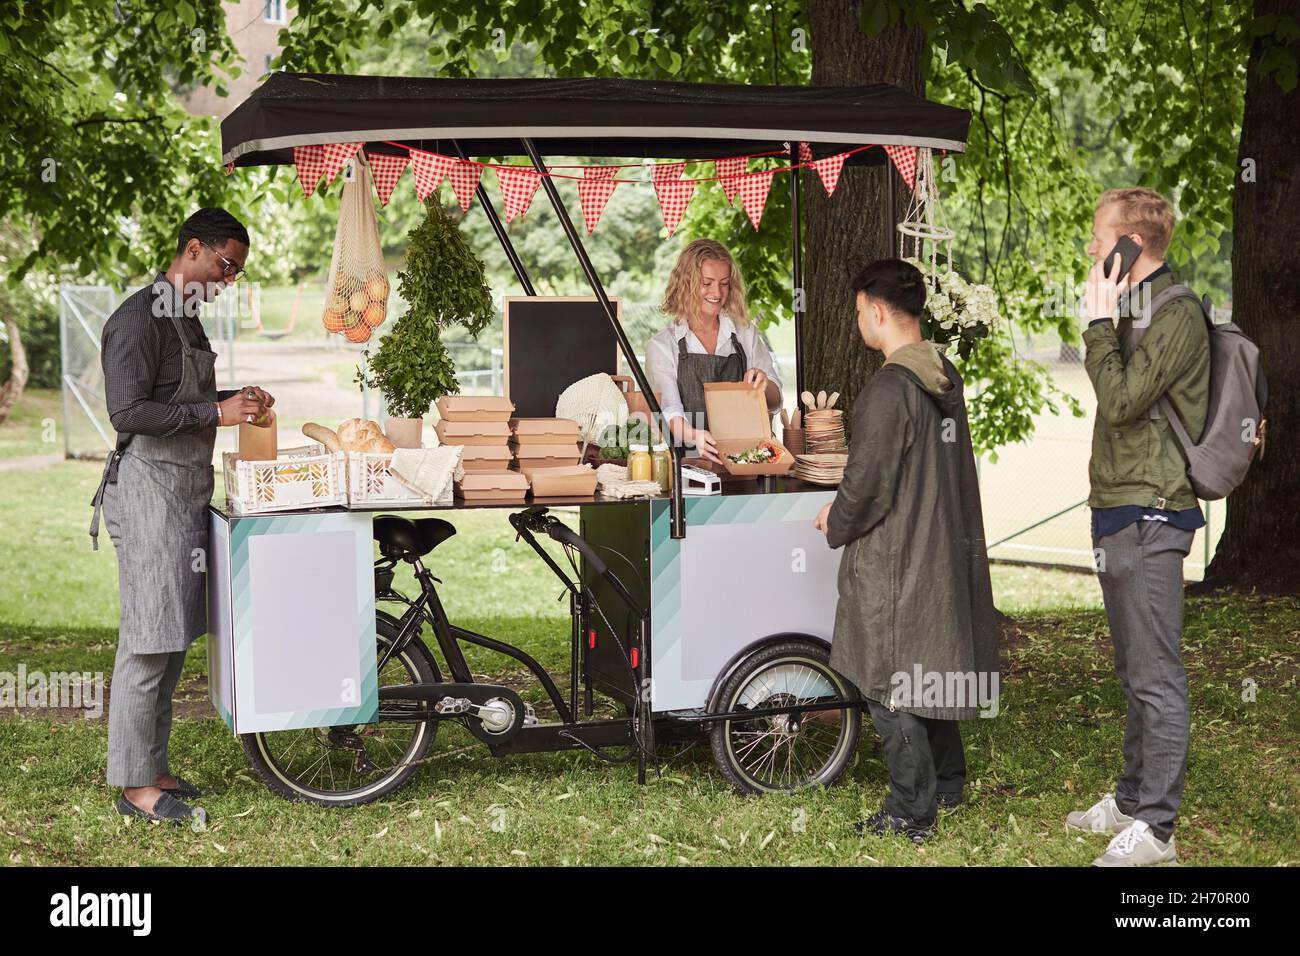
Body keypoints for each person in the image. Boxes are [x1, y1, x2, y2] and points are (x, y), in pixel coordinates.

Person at [91, 207, 275, 825]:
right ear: (193, 249)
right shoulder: (137, 320)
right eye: (226, 266)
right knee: (148, 640)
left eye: (235, 274)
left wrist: (234, 402)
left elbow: (186, 399)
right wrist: (213, 416)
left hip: (183, 492)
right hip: (147, 493)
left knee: (171, 637)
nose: (227, 280)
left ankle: (154, 765)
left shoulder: (185, 319)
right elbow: (129, 414)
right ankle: (137, 788)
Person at [813, 258, 998, 844]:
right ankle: (947, 781)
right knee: (930, 664)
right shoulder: (943, 372)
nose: (857, 322)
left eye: (858, 312)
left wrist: (833, 517)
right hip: (938, 547)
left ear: (875, 310)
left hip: (895, 557)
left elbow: (868, 486)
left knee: (886, 679)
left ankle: (911, 810)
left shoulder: (889, 389)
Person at [1068, 188, 1210, 867]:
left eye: (1099, 236)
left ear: (1131, 243)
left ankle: (1157, 829)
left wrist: (1096, 323)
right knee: (1132, 666)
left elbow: (1122, 401)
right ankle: (1130, 798)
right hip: (1119, 506)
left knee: (1155, 673)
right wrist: (1107, 315)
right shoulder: (1135, 307)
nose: (1092, 247)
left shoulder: (1176, 312)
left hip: (1154, 510)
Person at [645, 238, 782, 463]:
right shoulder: (662, 345)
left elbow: (776, 403)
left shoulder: (746, 335)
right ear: (685, 284)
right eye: (706, 283)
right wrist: (695, 436)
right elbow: (669, 411)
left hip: (745, 462)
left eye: (724, 283)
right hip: (688, 464)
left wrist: (764, 385)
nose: (717, 292)